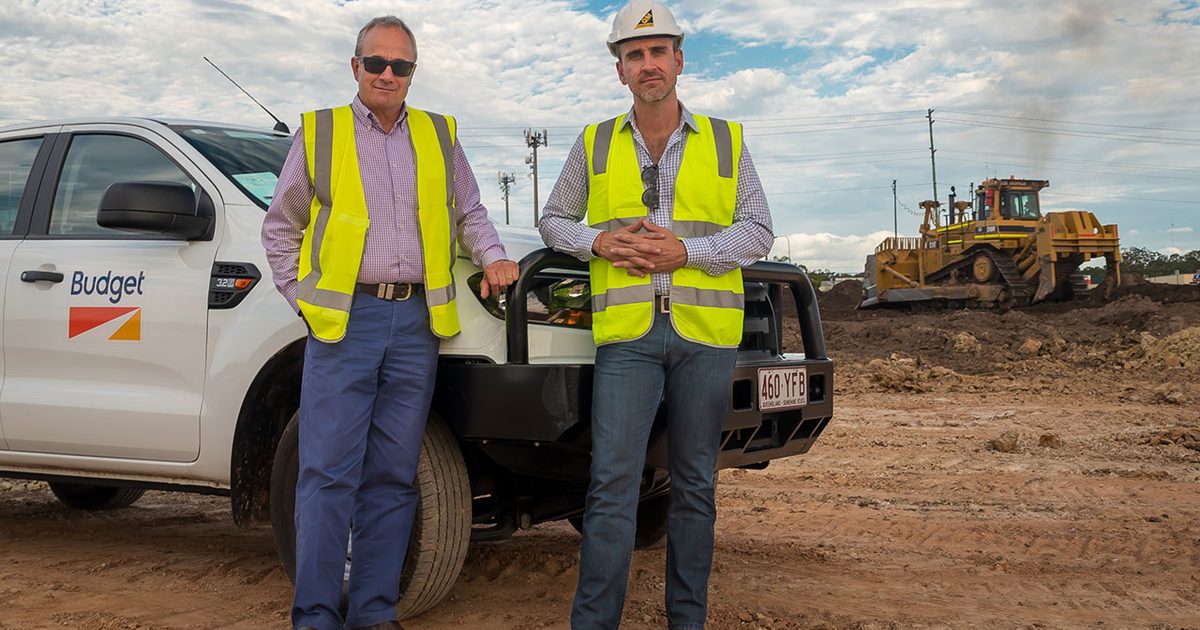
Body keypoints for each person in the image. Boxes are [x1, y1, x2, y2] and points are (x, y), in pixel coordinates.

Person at [261, 15, 519, 630]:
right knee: (327, 474)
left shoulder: (438, 134)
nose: (387, 74)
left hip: (415, 325)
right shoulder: (321, 132)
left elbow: (469, 211)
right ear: (355, 67)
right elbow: (281, 228)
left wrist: (493, 256)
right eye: (375, 63)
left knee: (394, 476)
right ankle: (315, 616)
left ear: (412, 72)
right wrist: (306, 300)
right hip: (346, 322)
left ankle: (375, 612)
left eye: (399, 65)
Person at [538, 1, 773, 628]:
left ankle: (686, 621)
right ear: (620, 69)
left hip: (704, 338)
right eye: (635, 54)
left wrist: (686, 252)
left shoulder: (725, 140)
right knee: (611, 487)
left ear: (679, 60)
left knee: (695, 487)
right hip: (628, 339)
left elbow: (758, 230)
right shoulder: (594, 142)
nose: (648, 64)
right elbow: (553, 219)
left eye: (658, 51)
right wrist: (598, 242)